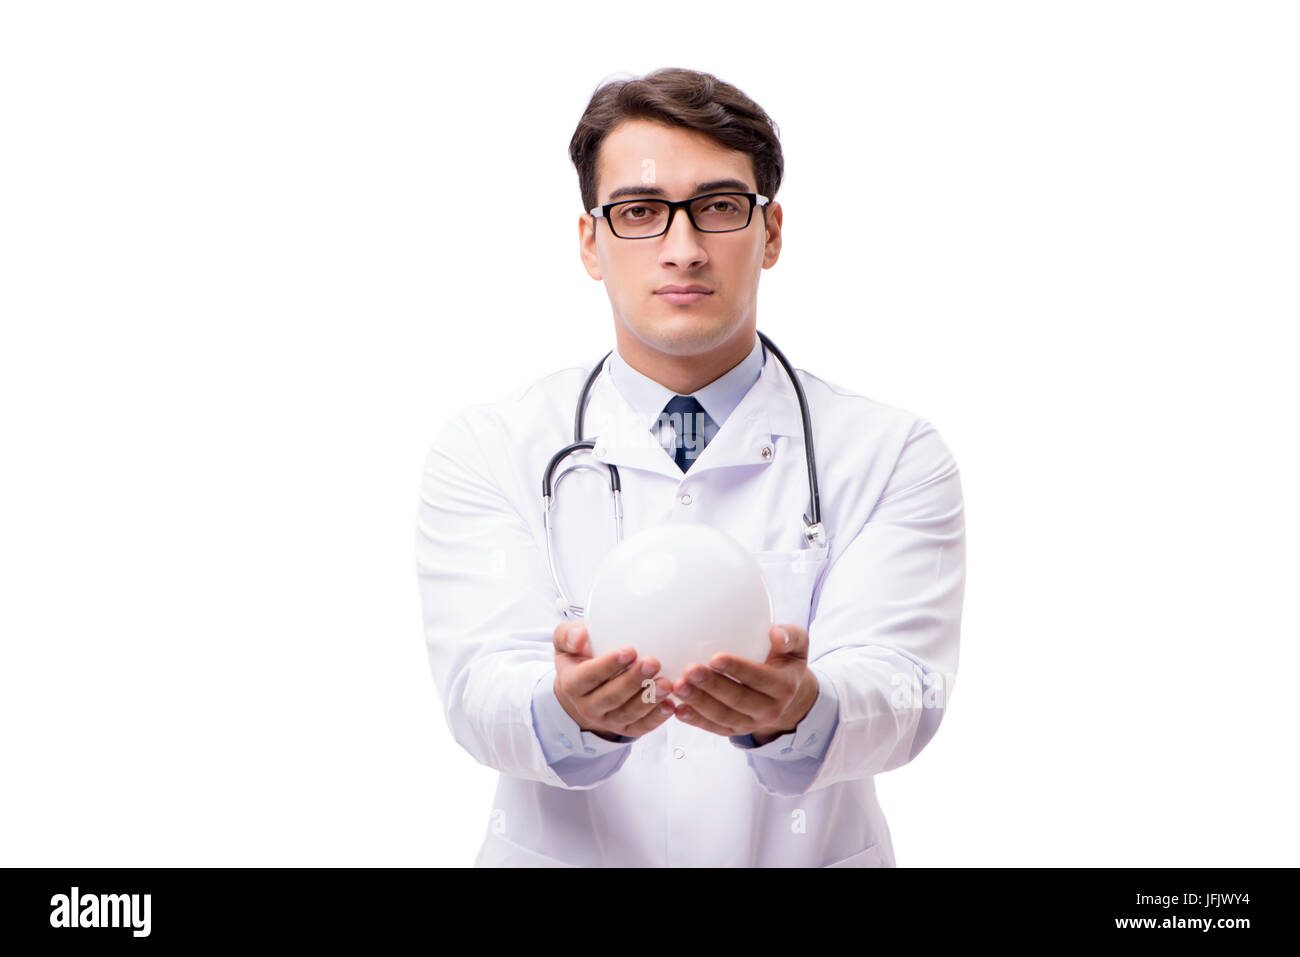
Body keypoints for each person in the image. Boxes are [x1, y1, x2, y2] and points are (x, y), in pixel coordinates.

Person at [414, 67, 966, 867]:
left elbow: (906, 688)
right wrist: (567, 709)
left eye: (717, 207)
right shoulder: (490, 448)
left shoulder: (891, 453)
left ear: (771, 232)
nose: (683, 249)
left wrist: (802, 709)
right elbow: (476, 691)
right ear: (589, 242)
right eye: (640, 212)